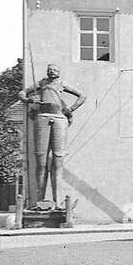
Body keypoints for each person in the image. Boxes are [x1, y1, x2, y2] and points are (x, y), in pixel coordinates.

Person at [18, 64, 86, 208]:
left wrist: (70, 108)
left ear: (59, 72)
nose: (51, 72)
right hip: (42, 117)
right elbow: (22, 93)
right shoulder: (41, 83)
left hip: (59, 118)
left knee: (58, 159)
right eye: (49, 69)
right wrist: (29, 100)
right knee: (41, 159)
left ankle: (58, 200)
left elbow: (82, 95)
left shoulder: (62, 84)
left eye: (54, 70)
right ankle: (40, 200)